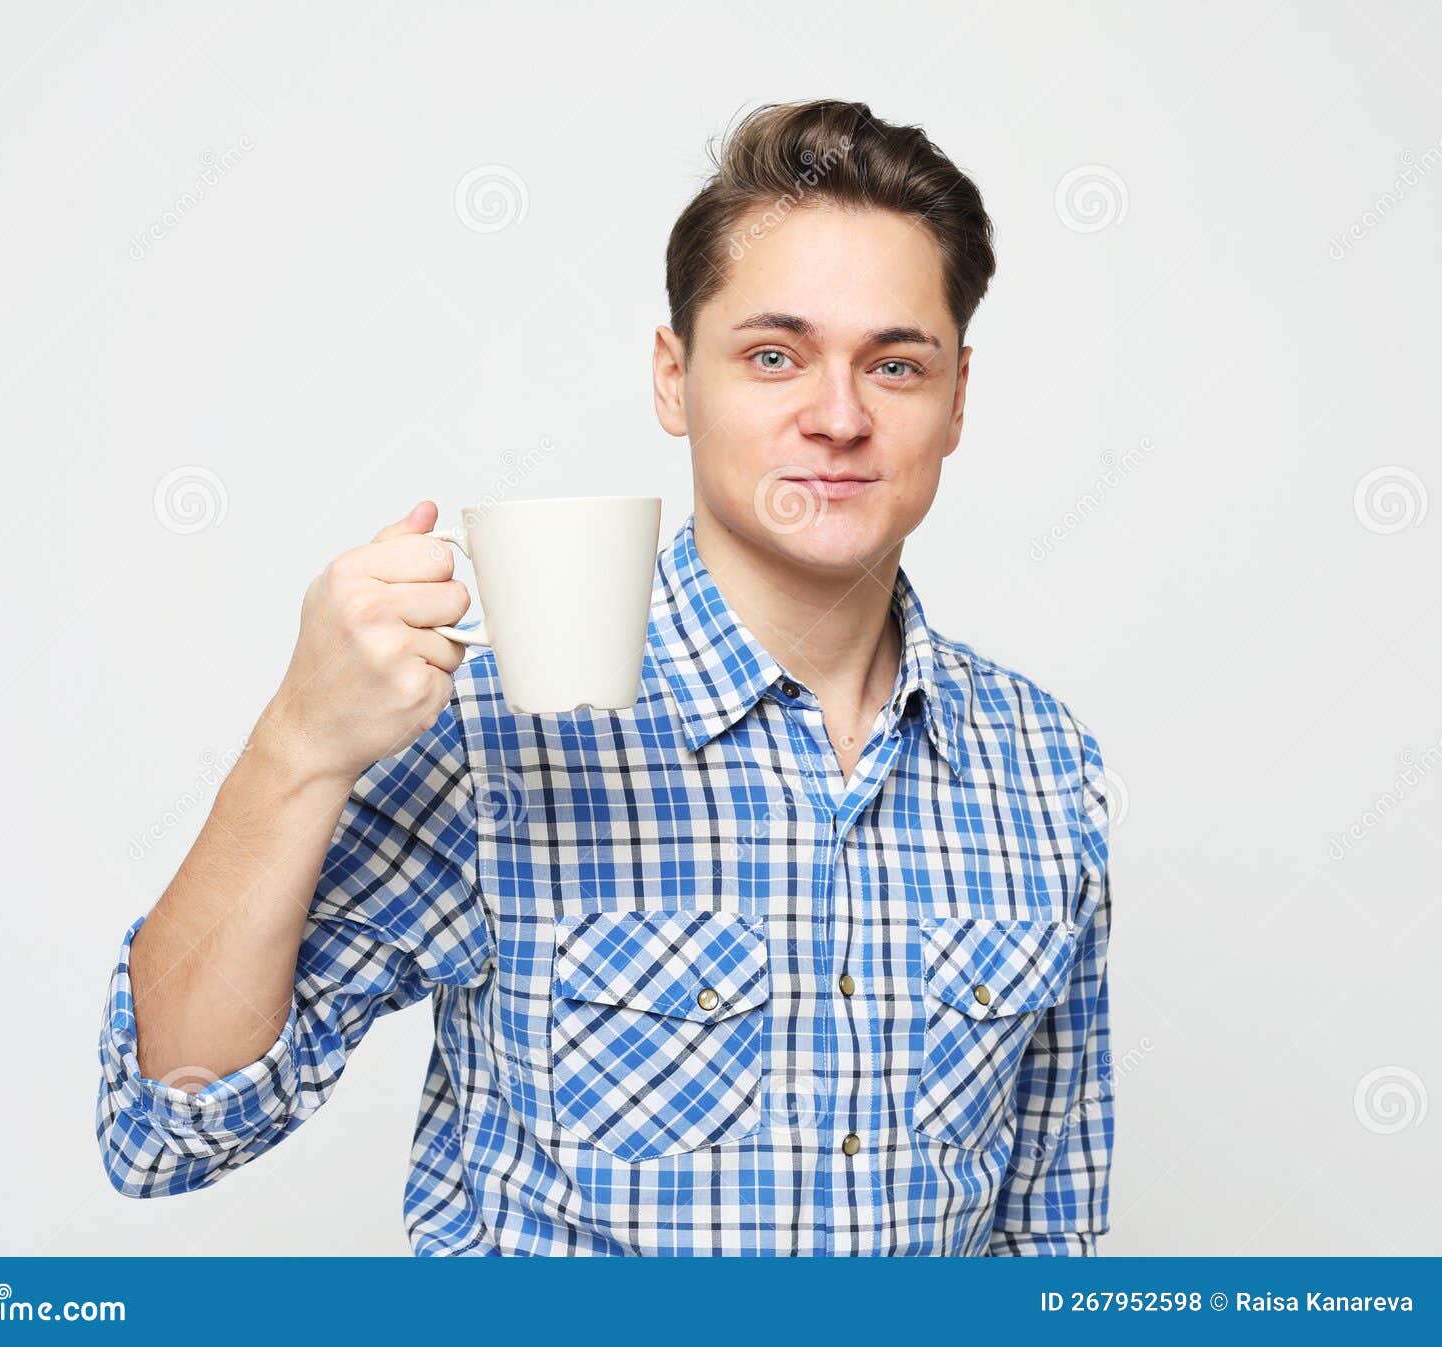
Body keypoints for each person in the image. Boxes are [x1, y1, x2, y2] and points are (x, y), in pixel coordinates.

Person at [97, 98, 1114, 1256]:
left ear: (957, 400)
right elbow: (166, 1129)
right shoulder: (493, 734)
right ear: (674, 379)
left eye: (894, 365)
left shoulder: (1045, 761)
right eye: (773, 355)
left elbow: (1047, 1233)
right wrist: (297, 742)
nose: (837, 417)